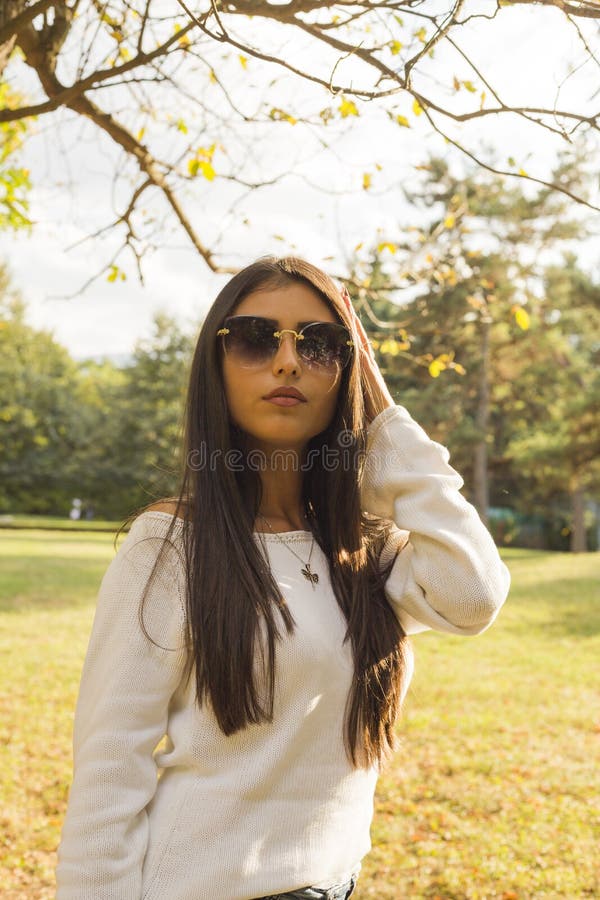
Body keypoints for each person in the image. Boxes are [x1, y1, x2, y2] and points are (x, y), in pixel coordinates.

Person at [55, 256, 510, 900]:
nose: (289, 362)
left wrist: (382, 415)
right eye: (255, 338)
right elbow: (108, 771)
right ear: (215, 367)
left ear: (349, 371)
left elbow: (475, 595)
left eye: (320, 344)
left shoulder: (366, 550)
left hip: (335, 881)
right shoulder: (170, 546)